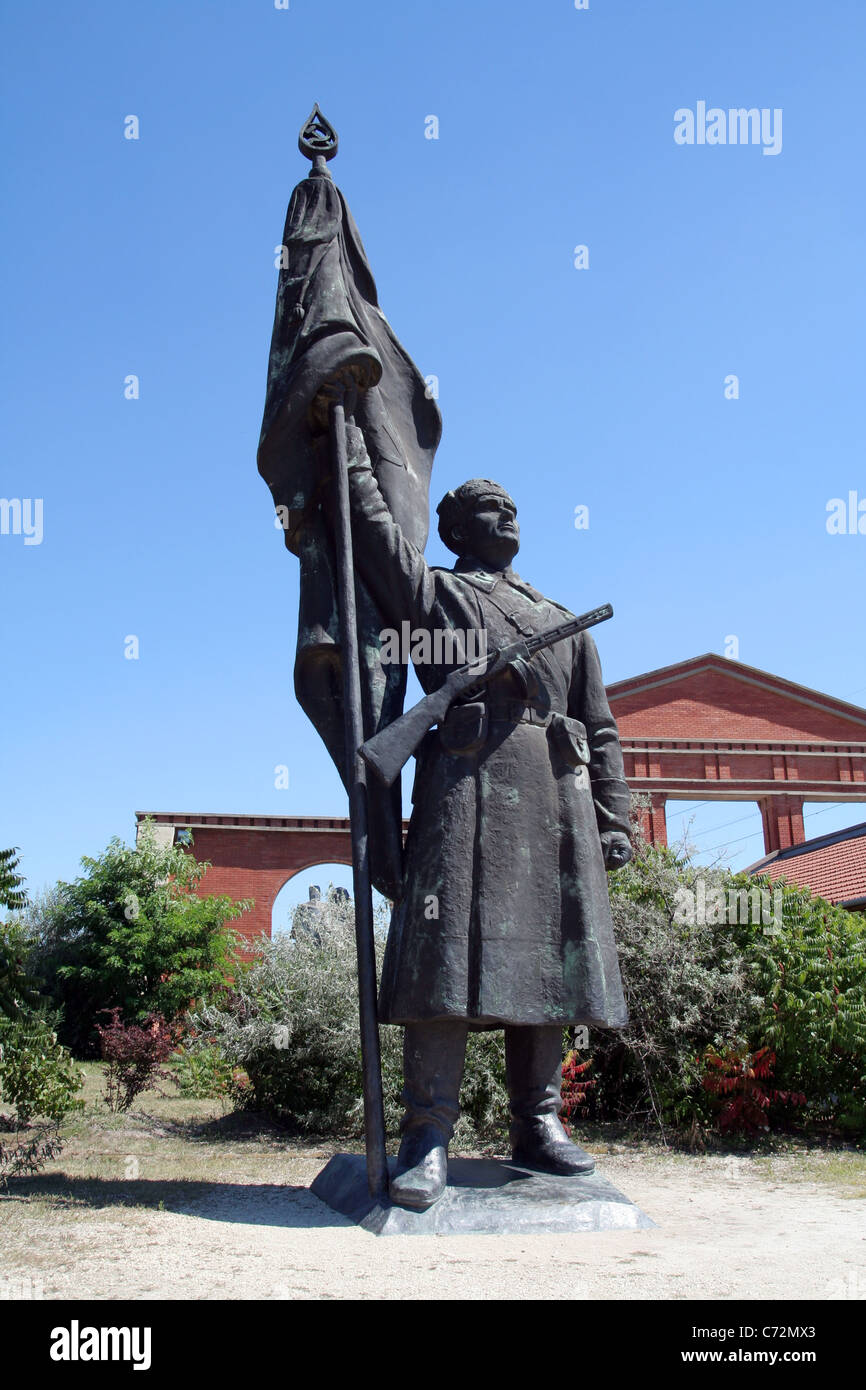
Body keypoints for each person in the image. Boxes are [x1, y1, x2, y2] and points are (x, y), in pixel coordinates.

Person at [344, 419, 633, 1210]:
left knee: (550, 966)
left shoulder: (561, 618)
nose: (507, 517)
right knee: (444, 959)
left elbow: (602, 727)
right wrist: (352, 448)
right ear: (454, 530)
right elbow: (375, 535)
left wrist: (614, 818)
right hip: (464, 787)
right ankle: (427, 1135)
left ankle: (537, 1124)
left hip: (555, 798)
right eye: (489, 509)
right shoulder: (436, 594)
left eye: (512, 509)